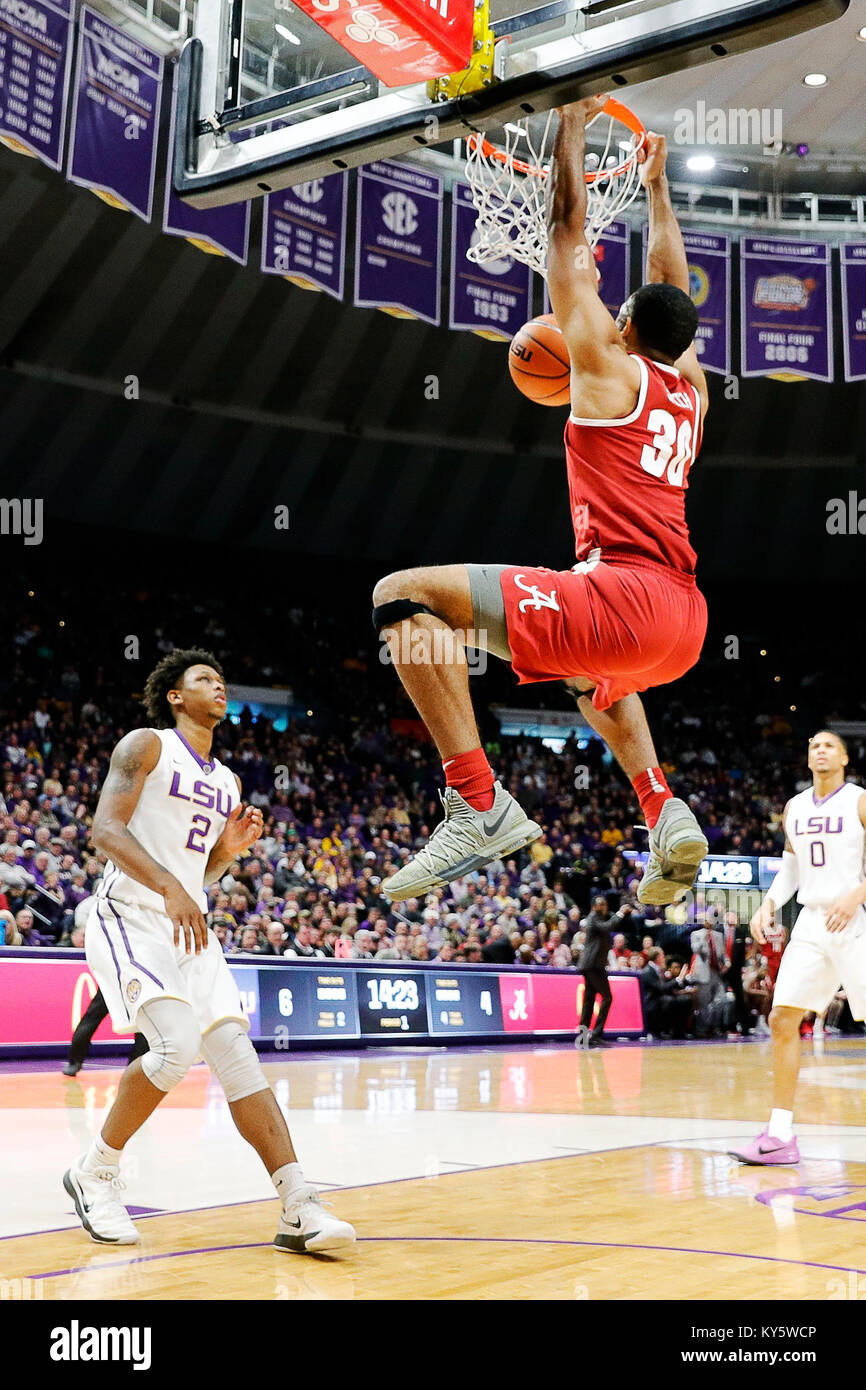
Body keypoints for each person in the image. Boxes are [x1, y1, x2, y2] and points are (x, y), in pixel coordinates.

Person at [372, 97, 707, 910]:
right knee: (587, 678)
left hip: (622, 595)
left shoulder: (602, 363)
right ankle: (661, 806)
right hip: (682, 624)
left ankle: (476, 800)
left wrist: (572, 128)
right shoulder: (693, 388)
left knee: (403, 597)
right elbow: (670, 285)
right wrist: (658, 191)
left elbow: (565, 235)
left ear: (623, 326)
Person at [63, 649, 354, 1253]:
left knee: (239, 1059)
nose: (218, 686)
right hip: (131, 917)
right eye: (203, 679)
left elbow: (202, 874)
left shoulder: (227, 782)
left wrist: (227, 853)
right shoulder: (146, 745)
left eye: (222, 679)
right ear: (174, 695)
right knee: (174, 1050)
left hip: (187, 926)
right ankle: (95, 1171)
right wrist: (172, 885)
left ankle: (299, 1205)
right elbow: (105, 831)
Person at [732, 731, 866, 1165]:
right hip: (811, 920)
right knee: (782, 1017)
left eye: (828, 745)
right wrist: (769, 903)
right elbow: (790, 868)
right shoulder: (794, 807)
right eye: (812, 745)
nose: (820, 750)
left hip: (854, 917)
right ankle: (780, 1135)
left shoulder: (860, 801)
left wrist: (857, 894)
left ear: (844, 757)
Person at [575, 895, 614, 1048]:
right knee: (607, 997)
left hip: (593, 965)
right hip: (593, 965)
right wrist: (620, 914)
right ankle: (596, 1034)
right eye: (601, 904)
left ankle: (584, 1037)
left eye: (605, 904)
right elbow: (608, 927)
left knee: (589, 1001)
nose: (604, 907)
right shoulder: (593, 918)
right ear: (594, 907)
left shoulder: (599, 919)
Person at [639, 947, 691, 1038]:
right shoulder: (648, 971)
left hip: (660, 999)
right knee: (670, 1001)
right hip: (652, 1002)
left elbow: (667, 985)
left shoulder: (658, 969)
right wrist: (678, 979)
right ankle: (663, 1030)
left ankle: (679, 1032)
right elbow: (661, 987)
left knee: (686, 1000)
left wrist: (681, 981)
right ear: (657, 958)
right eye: (662, 956)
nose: (664, 958)